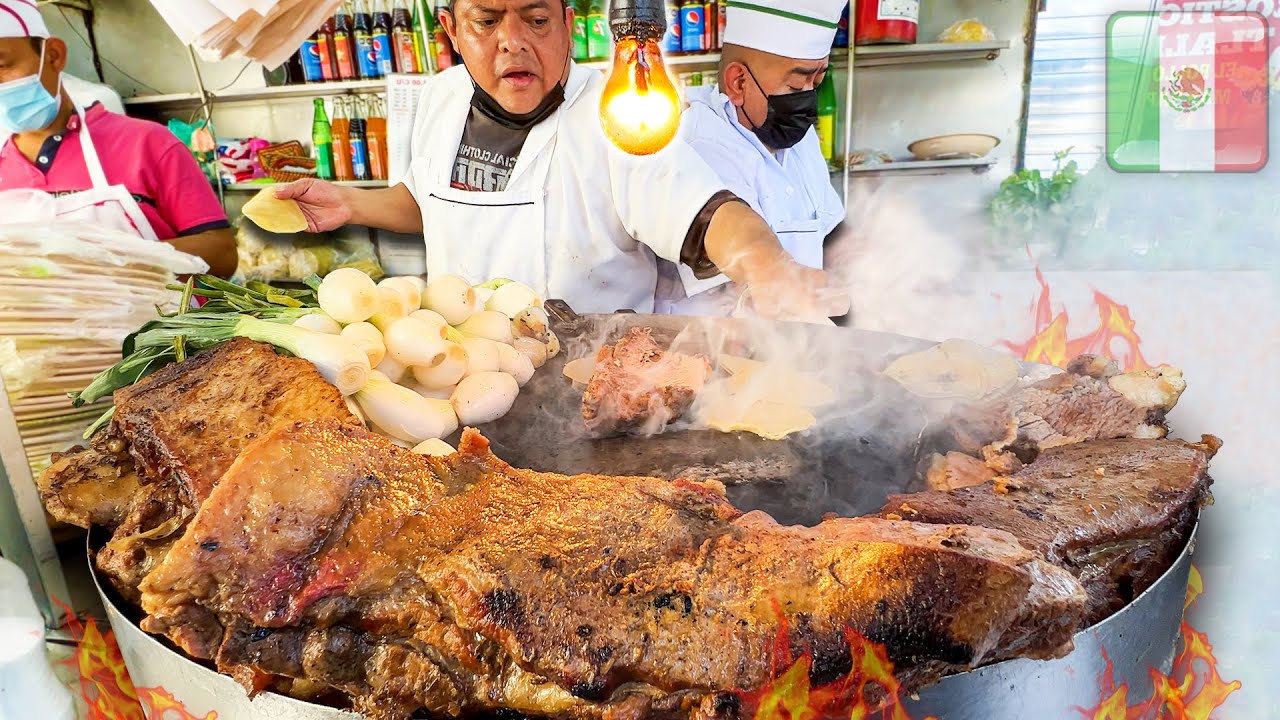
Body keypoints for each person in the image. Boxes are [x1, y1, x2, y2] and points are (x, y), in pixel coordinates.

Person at [277, 0, 847, 320]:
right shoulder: (442, 97)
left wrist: (767, 264)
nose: (513, 41)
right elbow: (433, 202)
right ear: (450, 29)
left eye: (537, 20)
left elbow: (705, 210)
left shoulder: (620, 111)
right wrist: (348, 203)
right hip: (464, 372)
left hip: (591, 386)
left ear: (571, 25)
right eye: (487, 20)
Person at [0, 0, 237, 277]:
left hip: (153, 319)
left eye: (1, 66)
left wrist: (114, 265)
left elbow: (221, 254)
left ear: (53, 55)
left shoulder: (149, 143)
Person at [658, 0, 847, 317]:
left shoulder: (801, 141)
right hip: (709, 350)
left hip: (796, 342)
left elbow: (829, 236)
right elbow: (743, 279)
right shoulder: (697, 143)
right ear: (739, 83)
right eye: (796, 84)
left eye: (817, 81)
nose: (809, 99)